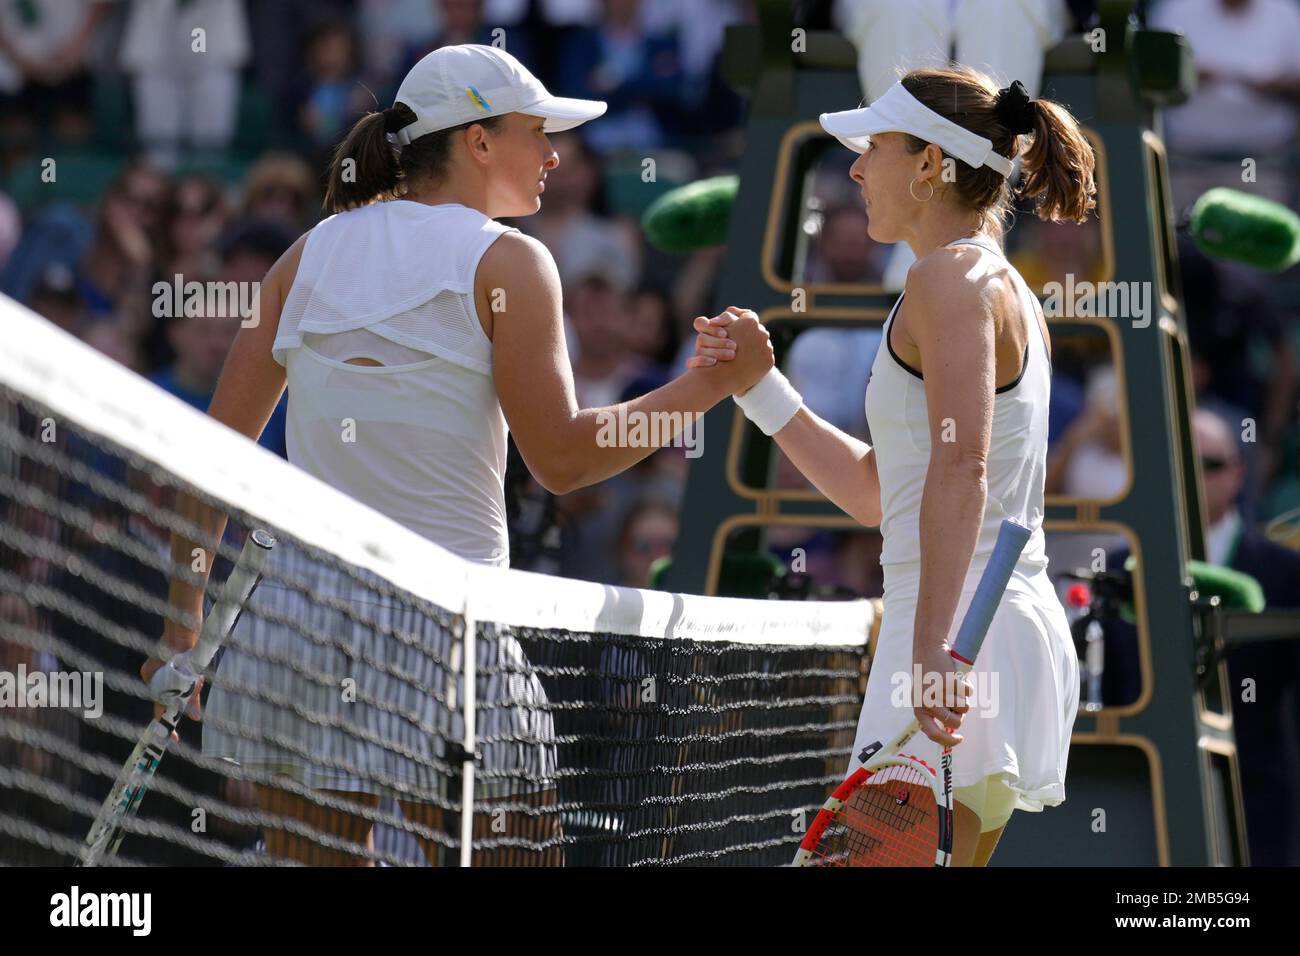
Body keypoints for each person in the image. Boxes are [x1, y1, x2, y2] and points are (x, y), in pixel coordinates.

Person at [141, 43, 769, 865]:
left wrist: (182, 623)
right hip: (447, 630)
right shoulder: (510, 262)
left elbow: (216, 458)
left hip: (296, 628)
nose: (555, 155)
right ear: (477, 141)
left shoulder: (308, 255)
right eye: (536, 133)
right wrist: (709, 387)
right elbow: (565, 460)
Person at [691, 66, 1092, 866]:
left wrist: (933, 646)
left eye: (873, 146)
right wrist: (760, 390)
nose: (854, 168)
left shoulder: (950, 279)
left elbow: (961, 467)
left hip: (959, 635)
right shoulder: (982, 281)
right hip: (980, 631)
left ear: (928, 164)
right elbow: (883, 493)